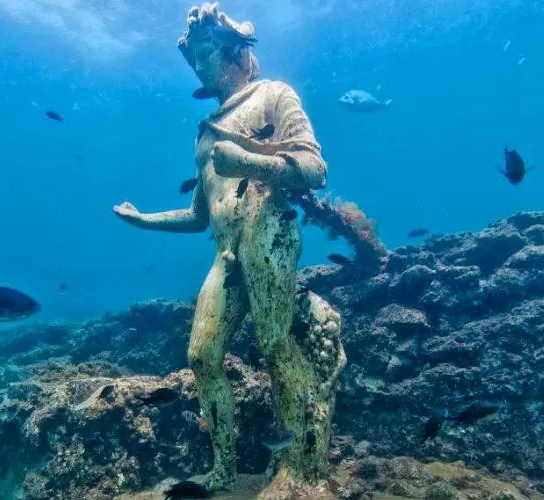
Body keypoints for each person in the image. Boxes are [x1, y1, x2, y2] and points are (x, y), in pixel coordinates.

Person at [113, 3, 345, 494]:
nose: (200, 67)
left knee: (277, 344)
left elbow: (315, 169)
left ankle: (298, 469)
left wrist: (249, 162)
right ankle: (224, 470)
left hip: (268, 236)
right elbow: (200, 215)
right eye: (194, 58)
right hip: (226, 256)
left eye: (208, 54)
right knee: (201, 355)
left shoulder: (273, 96)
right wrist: (143, 221)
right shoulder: (204, 135)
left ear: (238, 52)